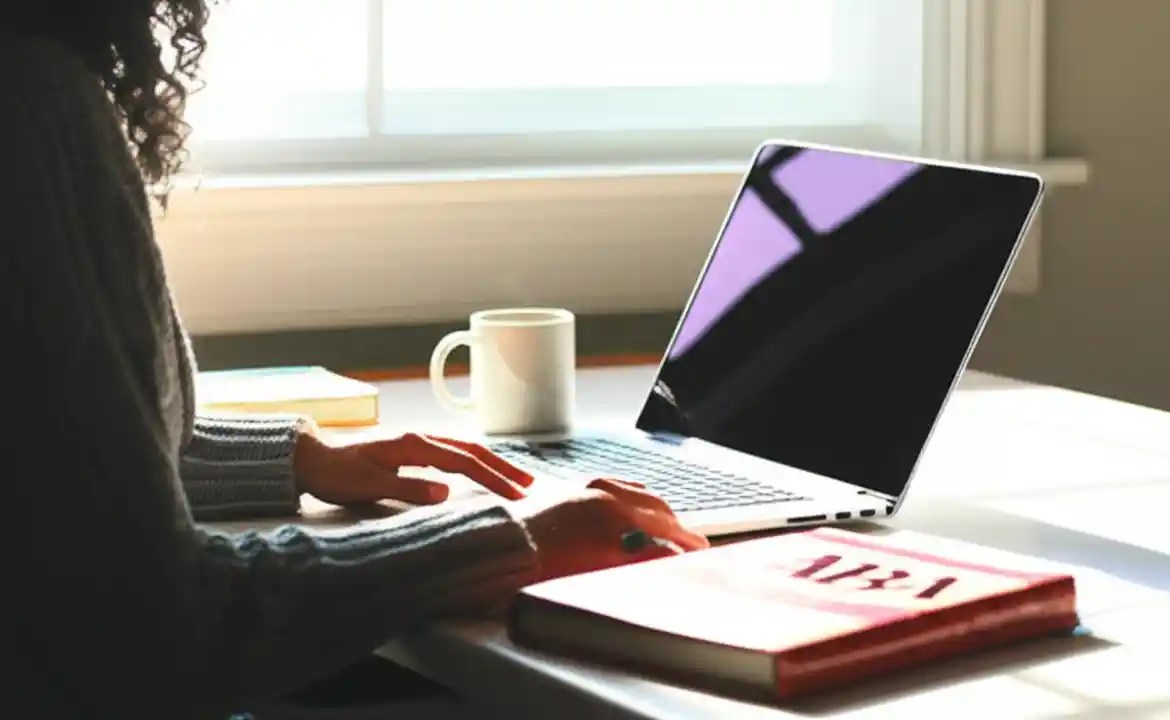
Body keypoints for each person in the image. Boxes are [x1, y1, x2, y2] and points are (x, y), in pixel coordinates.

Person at [1, 3, 708, 718]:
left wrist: (297, 459)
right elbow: (145, 624)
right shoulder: (28, 99)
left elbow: (51, 474)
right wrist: (508, 541)